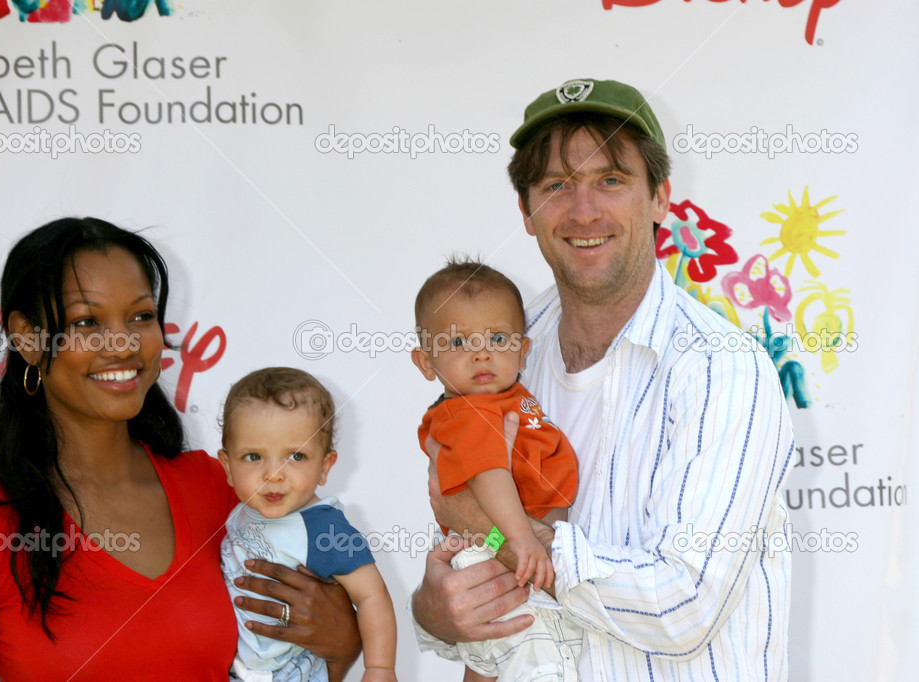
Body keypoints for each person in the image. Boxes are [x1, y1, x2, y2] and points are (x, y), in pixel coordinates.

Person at [411, 78, 795, 680]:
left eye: (611, 180)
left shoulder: (721, 367)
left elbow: (684, 609)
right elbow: (459, 525)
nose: (584, 210)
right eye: (557, 186)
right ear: (527, 212)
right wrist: (435, 612)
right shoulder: (497, 349)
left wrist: (513, 542)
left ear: (660, 197)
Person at [0, 217, 362, 681]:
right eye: (87, 322)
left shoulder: (219, 487)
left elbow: (312, 657)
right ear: (27, 337)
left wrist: (344, 638)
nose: (123, 343)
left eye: (141, 316)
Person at [410, 259, 581, 681]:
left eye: (498, 338)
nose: (482, 352)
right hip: (498, 547)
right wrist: (522, 540)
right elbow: (491, 475)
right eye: (458, 343)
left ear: (524, 350)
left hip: (491, 544)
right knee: (537, 656)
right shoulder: (472, 413)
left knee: (487, 661)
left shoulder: (502, 398)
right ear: (426, 362)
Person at [218, 367, 398, 682]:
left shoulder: (324, 528)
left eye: (296, 457)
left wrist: (379, 668)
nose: (273, 474)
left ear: (325, 467)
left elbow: (373, 596)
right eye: (253, 457)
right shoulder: (239, 512)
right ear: (228, 466)